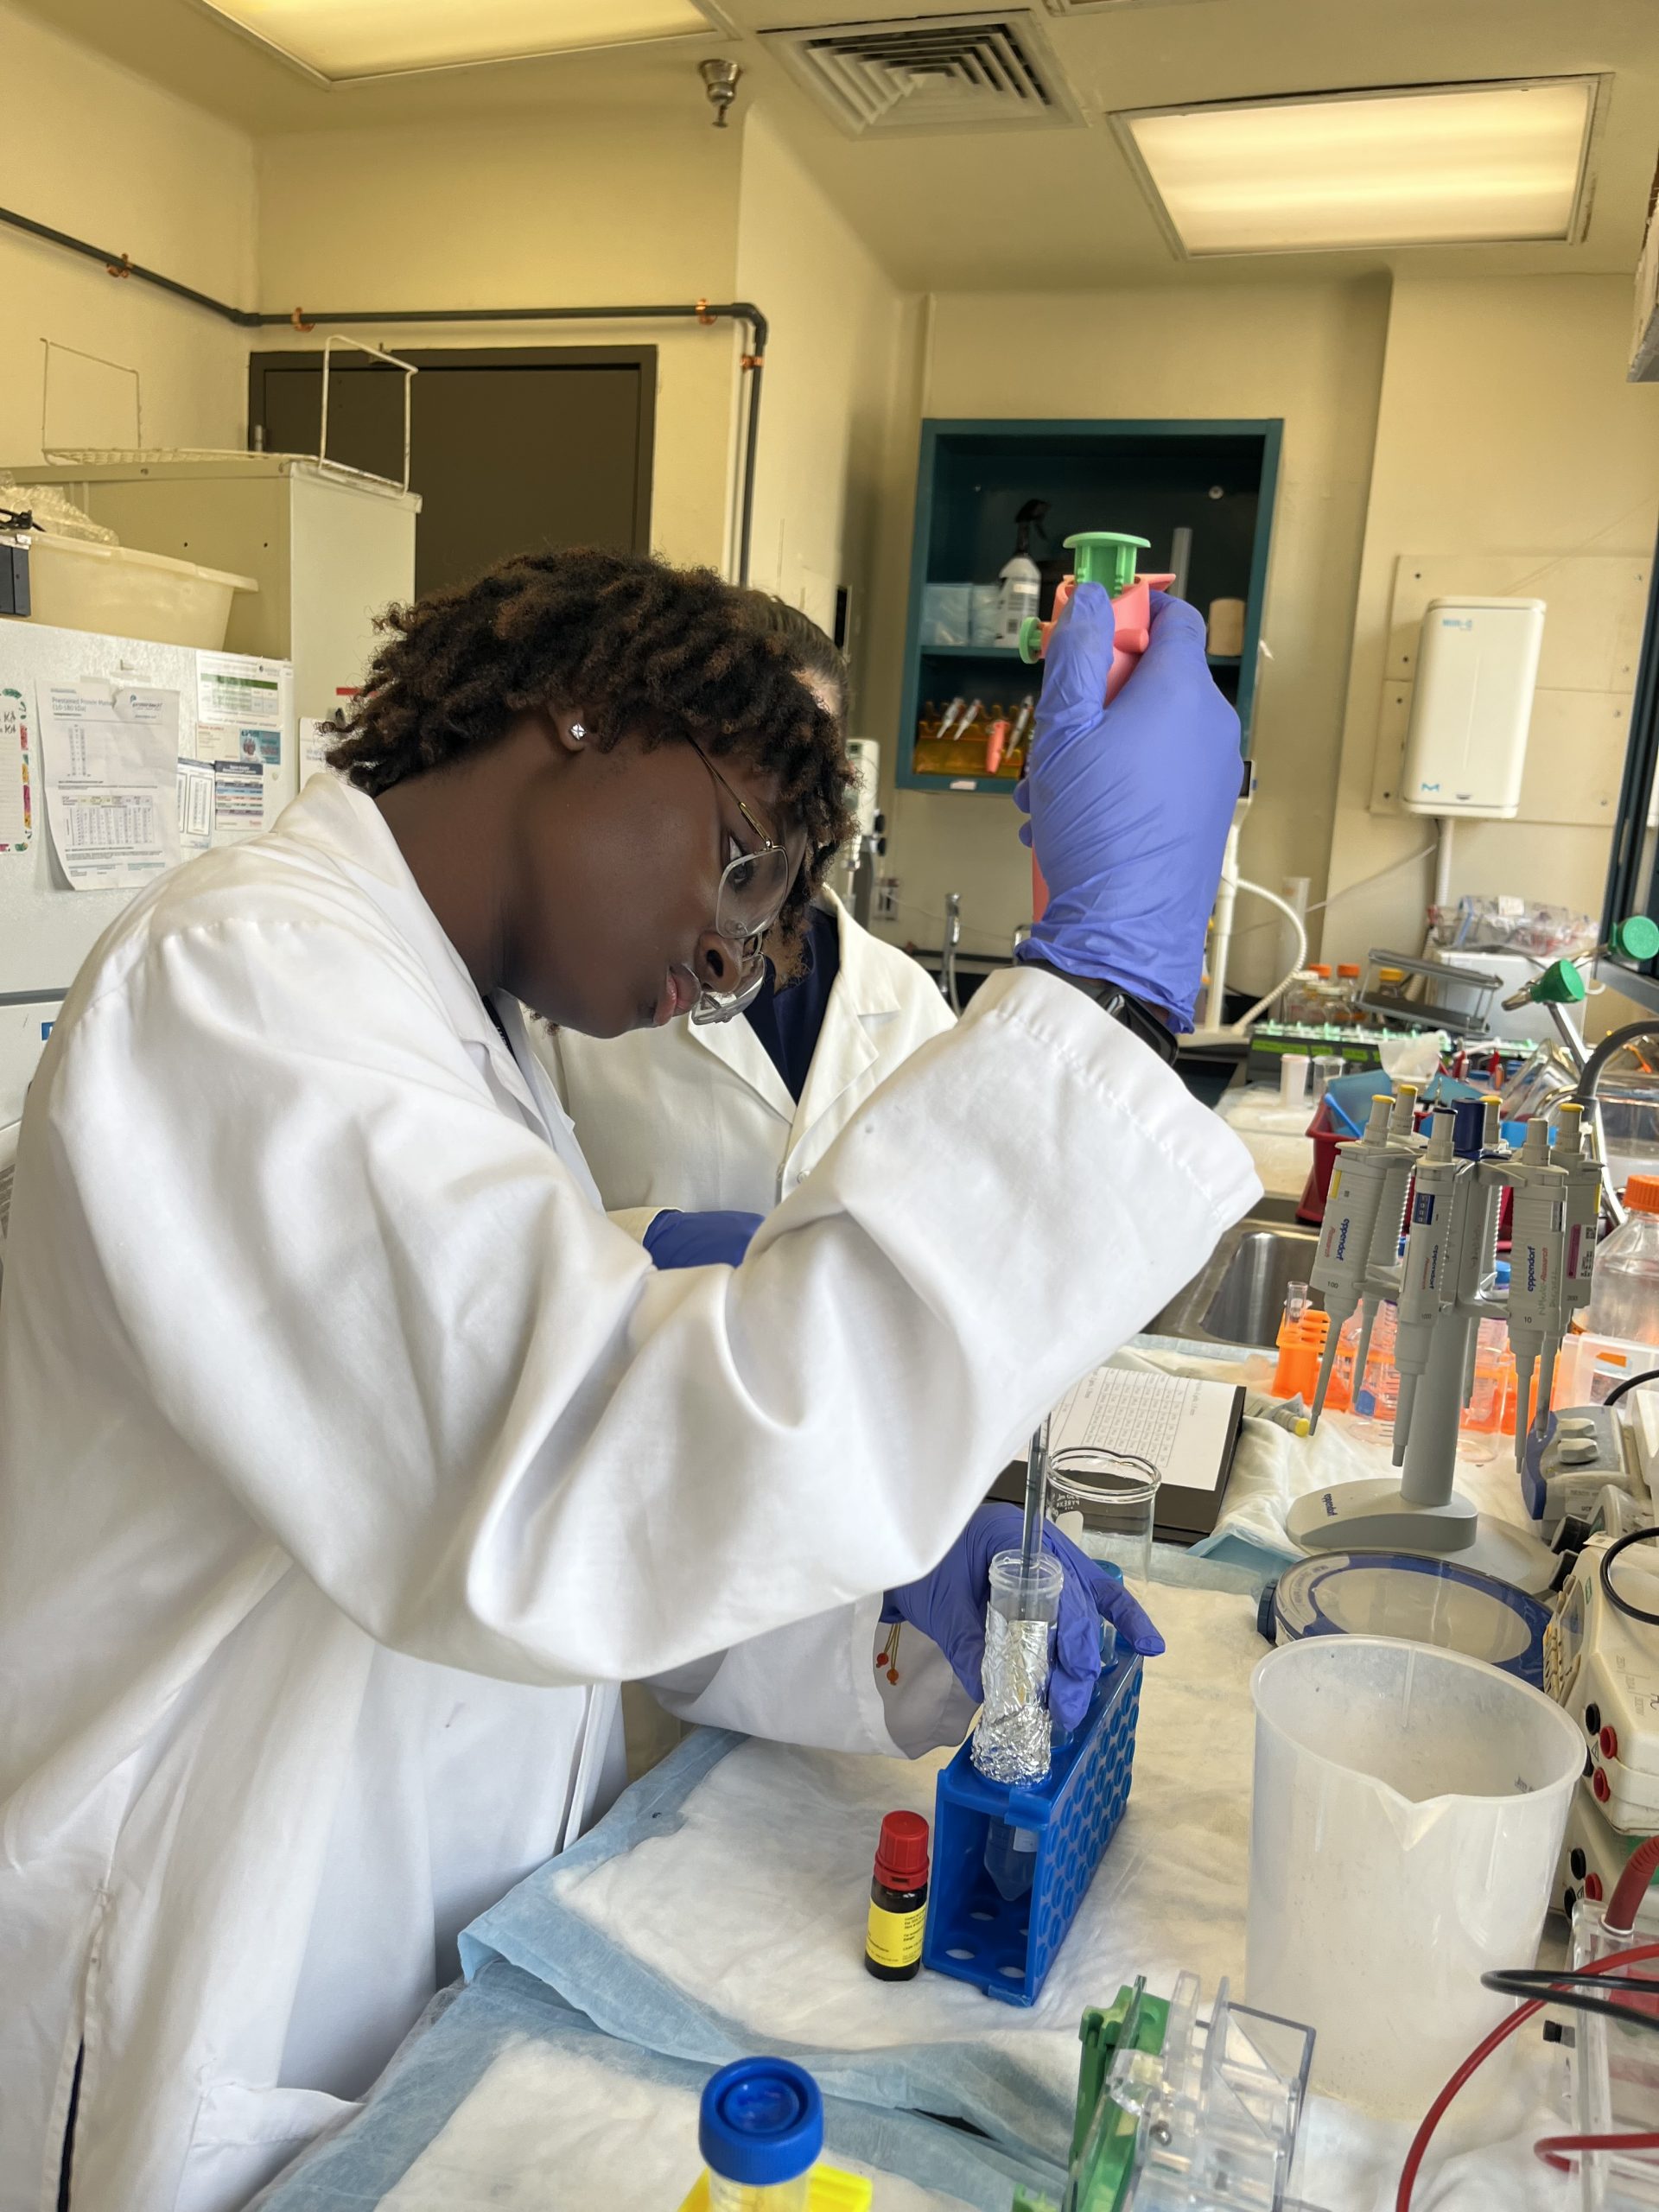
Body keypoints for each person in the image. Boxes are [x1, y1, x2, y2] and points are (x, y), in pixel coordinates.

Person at [0, 546, 1255, 2212]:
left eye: (784, 920)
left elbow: (588, 1544)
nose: (739, 960)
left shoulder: (463, 1027)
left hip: (414, 1955)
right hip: (208, 1967)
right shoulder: (238, 982)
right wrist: (1102, 984)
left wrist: (882, 1610)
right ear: (577, 714)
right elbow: (568, 1485)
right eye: (746, 869)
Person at [546, 597, 955, 1259]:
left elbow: (958, 1240)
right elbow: (495, 1236)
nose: (760, 807)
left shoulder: (907, 1007)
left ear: (836, 790)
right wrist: (644, 1239)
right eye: (735, 763)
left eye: (796, 769)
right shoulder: (570, 994)